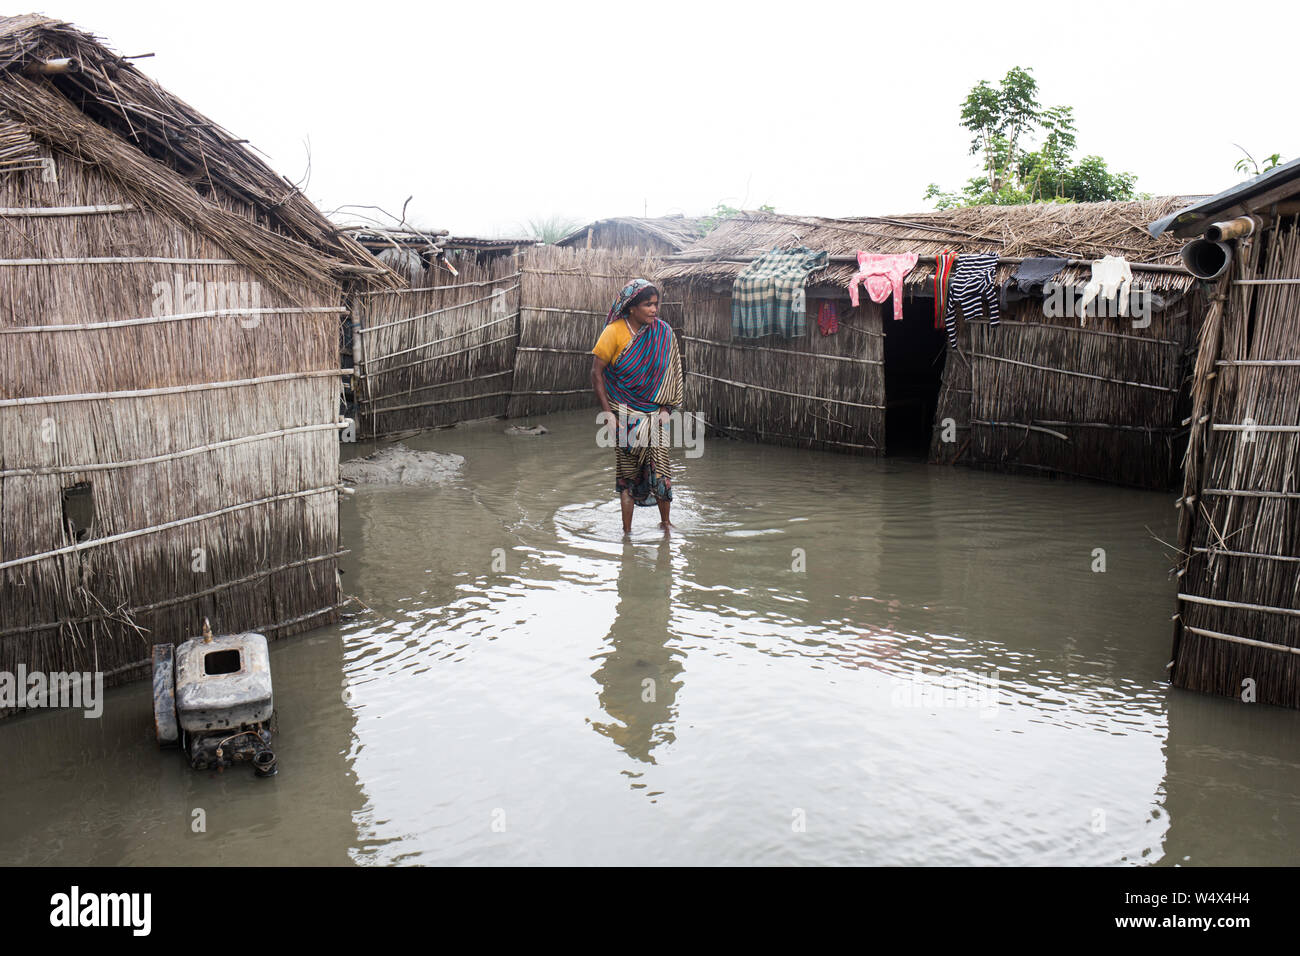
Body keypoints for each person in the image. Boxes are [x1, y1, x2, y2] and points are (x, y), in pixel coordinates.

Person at [591, 279, 683, 535]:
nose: (654, 309)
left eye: (656, 304)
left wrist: (666, 409)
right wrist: (608, 414)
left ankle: (666, 526)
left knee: (662, 473)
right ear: (632, 308)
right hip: (625, 416)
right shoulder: (613, 332)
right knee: (628, 476)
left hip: (656, 416)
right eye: (648, 305)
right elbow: (596, 374)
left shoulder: (664, 333)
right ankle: (627, 533)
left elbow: (672, 373)